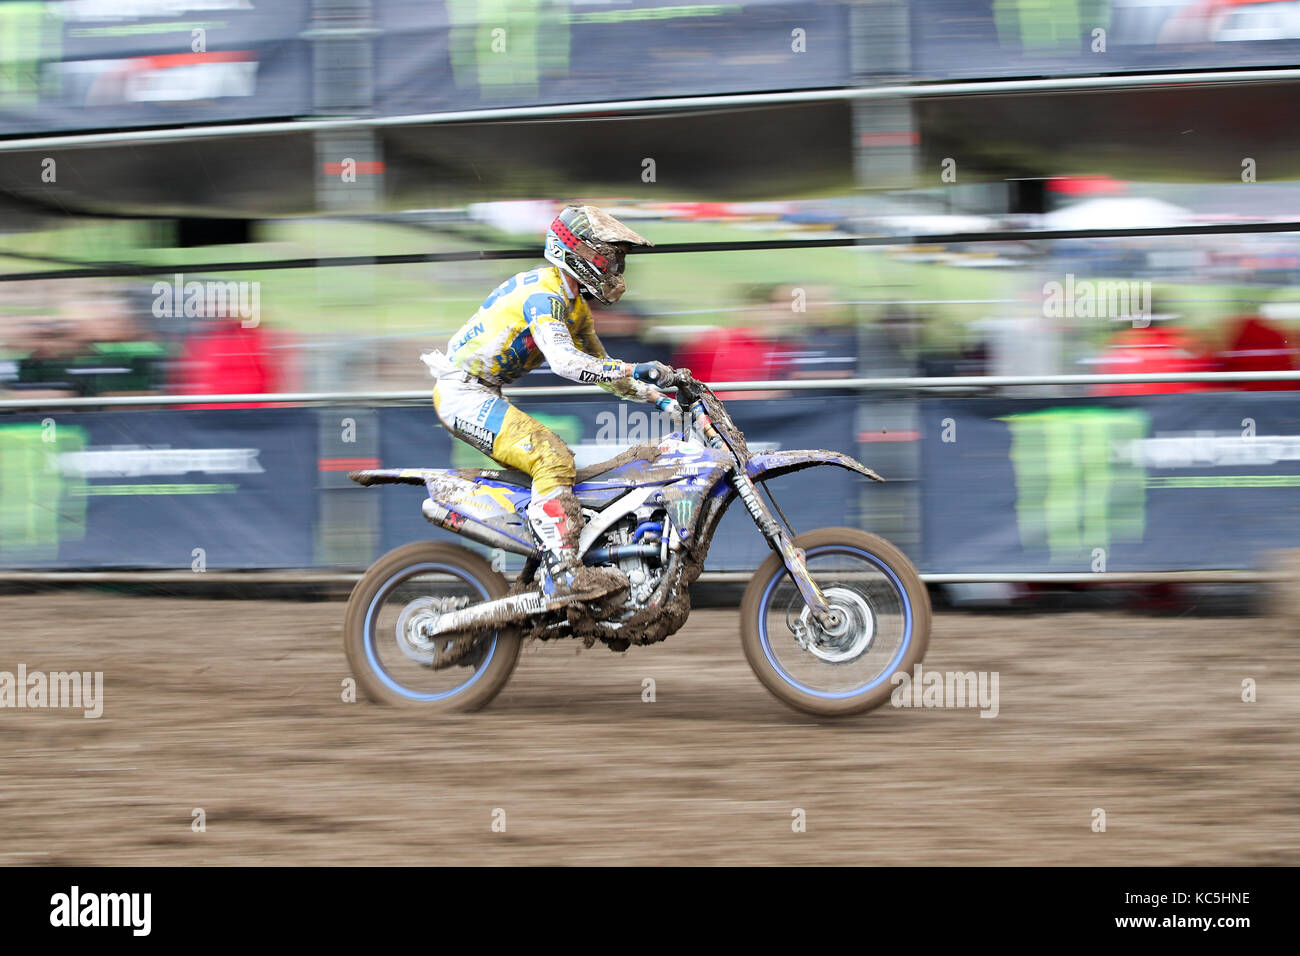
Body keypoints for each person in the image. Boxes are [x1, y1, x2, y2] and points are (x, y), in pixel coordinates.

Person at [421, 204, 679, 601]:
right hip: (463, 394)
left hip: (481, 391)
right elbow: (566, 363)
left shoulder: (573, 305)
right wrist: (633, 369)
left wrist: (656, 397)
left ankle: (547, 557)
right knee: (551, 457)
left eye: (618, 260)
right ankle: (563, 573)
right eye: (608, 258)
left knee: (558, 467)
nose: (614, 268)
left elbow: (602, 367)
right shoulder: (546, 296)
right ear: (576, 252)